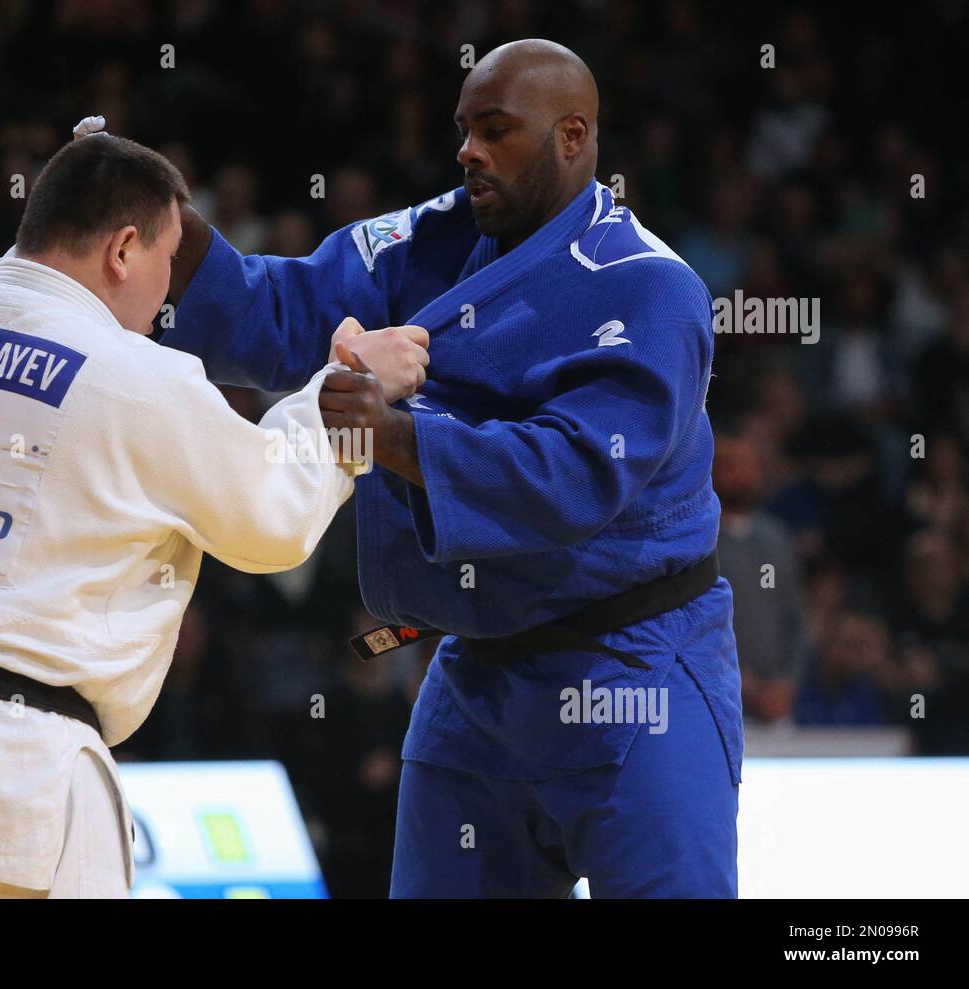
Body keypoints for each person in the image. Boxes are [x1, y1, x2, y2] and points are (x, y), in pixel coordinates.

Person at [151, 39, 743, 897]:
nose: (469, 151)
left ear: (573, 136)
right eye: (465, 131)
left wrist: (392, 436)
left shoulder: (650, 287)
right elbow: (277, 313)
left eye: (496, 131)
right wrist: (175, 227)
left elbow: (575, 474)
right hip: (476, 674)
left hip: (635, 668)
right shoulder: (428, 237)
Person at [0, 133, 400, 898]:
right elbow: (271, 520)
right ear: (123, 249)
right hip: (9, 769)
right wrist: (341, 395)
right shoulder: (129, 372)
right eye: (166, 271)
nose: (164, 306)